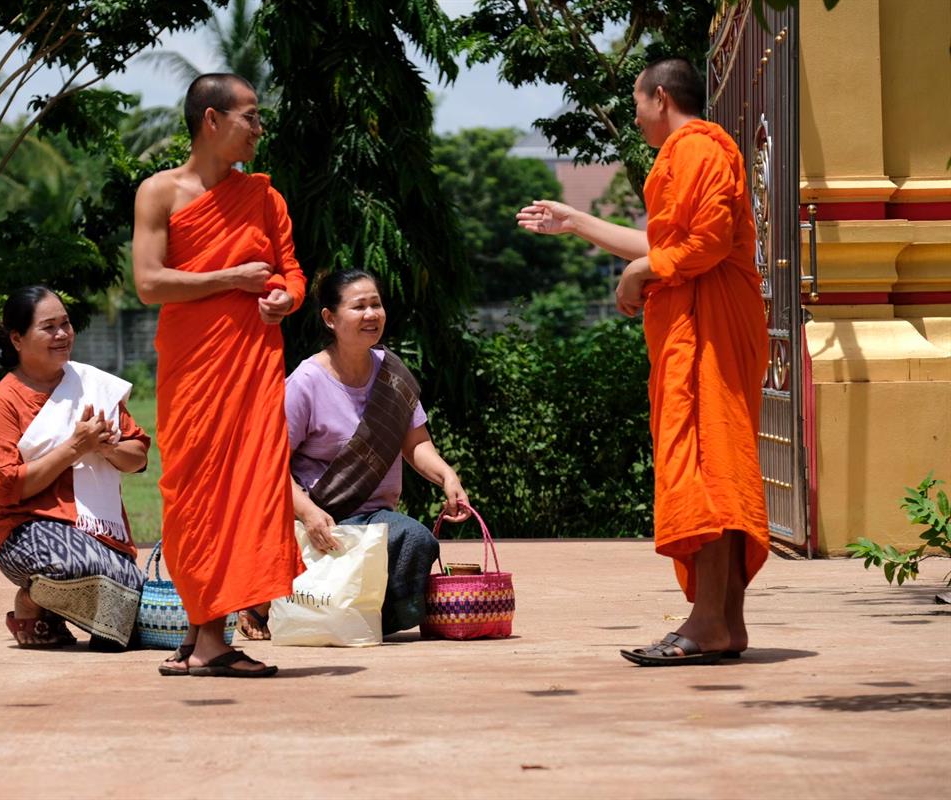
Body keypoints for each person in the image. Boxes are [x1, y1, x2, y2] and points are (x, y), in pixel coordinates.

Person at [516, 57, 770, 666]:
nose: (634, 115)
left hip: (710, 328)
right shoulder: (680, 157)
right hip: (700, 325)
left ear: (660, 97)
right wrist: (575, 221)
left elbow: (700, 246)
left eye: (635, 102)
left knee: (708, 469)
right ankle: (724, 622)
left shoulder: (700, 150)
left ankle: (709, 622)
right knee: (713, 464)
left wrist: (640, 271)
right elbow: (667, 245)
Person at [132, 73, 306, 678]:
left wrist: (285, 297)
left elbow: (290, 272)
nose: (260, 129)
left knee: (247, 492)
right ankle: (206, 637)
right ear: (211, 120)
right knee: (193, 497)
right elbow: (149, 283)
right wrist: (228, 280)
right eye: (250, 117)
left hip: (252, 367)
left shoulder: (264, 197)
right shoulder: (159, 193)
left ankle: (205, 639)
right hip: (194, 373)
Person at [245, 269, 468, 640]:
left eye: (376, 304)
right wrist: (310, 514)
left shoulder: (391, 374)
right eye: (359, 306)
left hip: (372, 517)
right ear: (330, 318)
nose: (371, 315)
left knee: (416, 539)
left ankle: (367, 619)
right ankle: (262, 605)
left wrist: (447, 477)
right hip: (314, 514)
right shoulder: (306, 382)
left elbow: (416, 444)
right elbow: (268, 466)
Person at [0, 286, 151, 650]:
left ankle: (50, 621)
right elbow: (7, 488)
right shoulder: (3, 401)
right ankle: (31, 603)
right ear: (17, 338)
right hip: (27, 533)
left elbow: (139, 457)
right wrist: (76, 446)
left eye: (66, 324)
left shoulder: (93, 386)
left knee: (139, 613)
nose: (62, 335)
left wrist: (108, 447)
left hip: (100, 537)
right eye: (49, 327)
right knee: (82, 571)